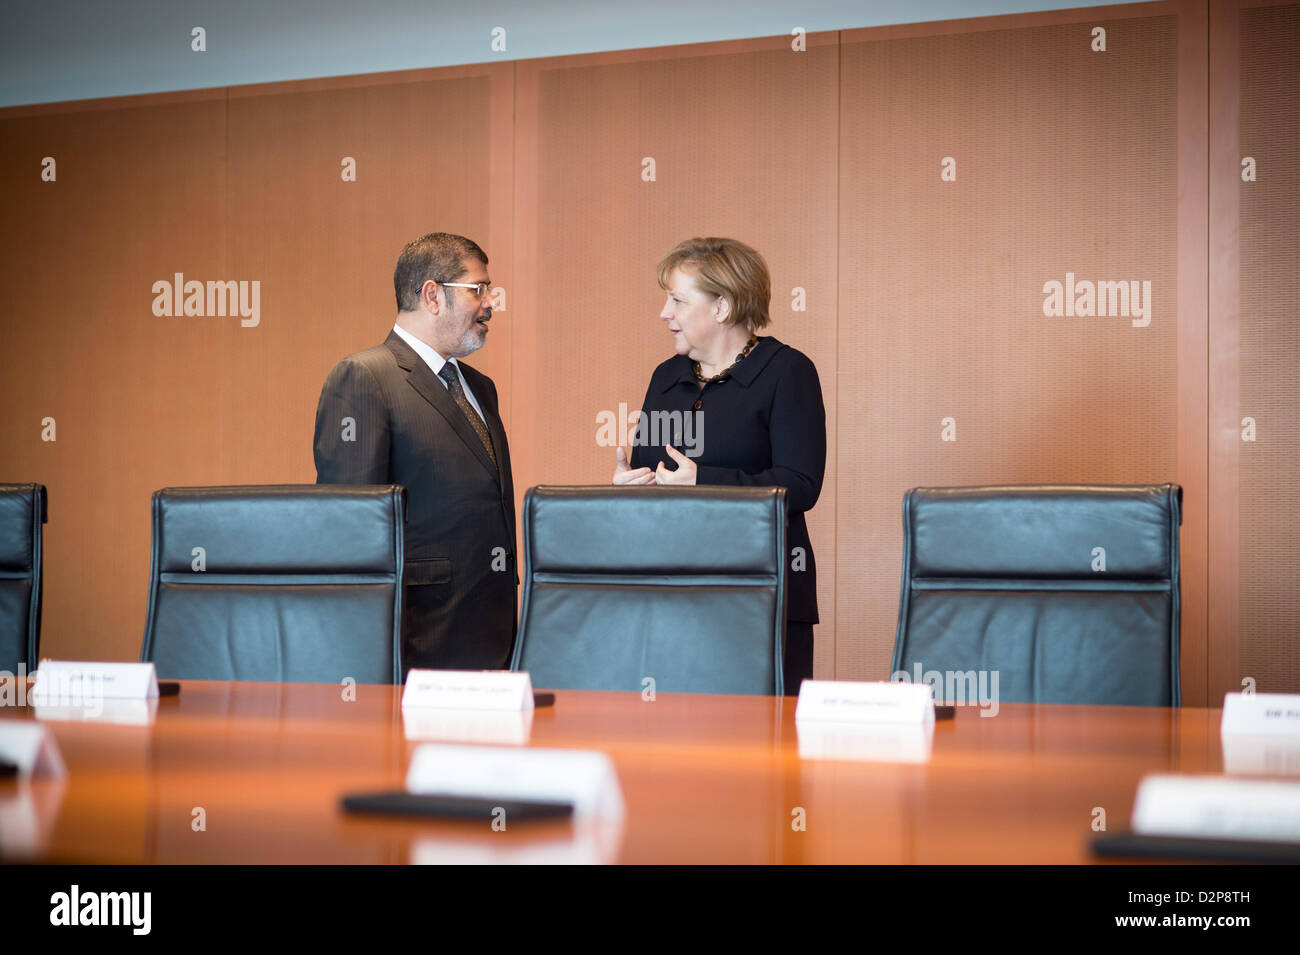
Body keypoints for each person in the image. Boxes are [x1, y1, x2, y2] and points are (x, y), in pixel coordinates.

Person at [613, 237, 826, 693]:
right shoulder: (666, 378)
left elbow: (801, 484)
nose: (664, 313)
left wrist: (704, 481)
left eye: (677, 300)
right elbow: (656, 475)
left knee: (763, 751)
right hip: (673, 592)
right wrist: (630, 487)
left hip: (763, 595)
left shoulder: (788, 371)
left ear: (722, 307)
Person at [314, 233, 516, 673]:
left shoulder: (481, 388)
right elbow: (351, 528)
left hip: (493, 632)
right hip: (415, 637)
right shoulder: (365, 378)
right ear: (432, 295)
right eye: (477, 289)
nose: (490, 303)